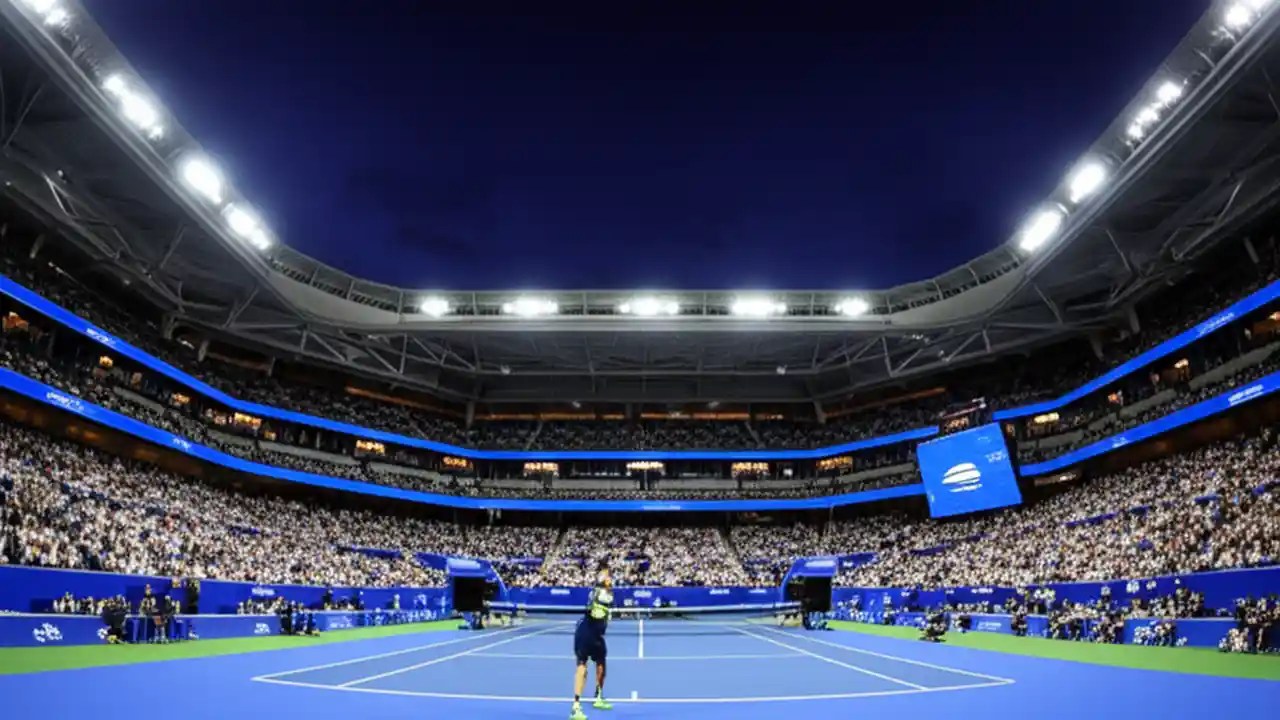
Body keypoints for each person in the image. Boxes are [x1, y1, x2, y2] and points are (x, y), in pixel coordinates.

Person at [570, 564, 614, 720]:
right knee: (582, 666)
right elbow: (604, 597)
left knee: (601, 663)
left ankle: (598, 697)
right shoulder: (600, 593)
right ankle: (576, 707)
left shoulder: (605, 593)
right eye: (608, 577)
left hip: (597, 636)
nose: (611, 579)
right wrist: (603, 581)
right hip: (585, 633)